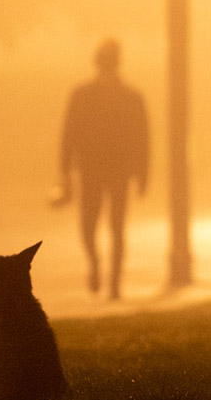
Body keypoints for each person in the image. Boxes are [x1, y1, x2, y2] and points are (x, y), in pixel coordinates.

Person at [54, 38, 149, 300]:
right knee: (88, 227)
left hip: (118, 171)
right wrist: (64, 170)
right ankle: (95, 264)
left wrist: (142, 174)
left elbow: (142, 139)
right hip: (91, 170)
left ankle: (115, 283)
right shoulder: (82, 96)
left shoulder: (132, 98)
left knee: (117, 228)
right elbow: (69, 133)